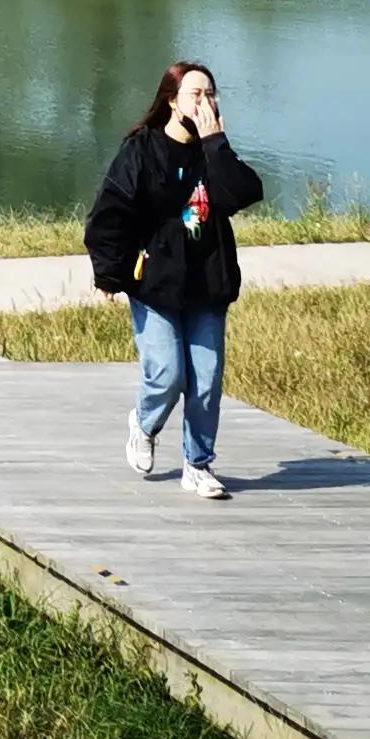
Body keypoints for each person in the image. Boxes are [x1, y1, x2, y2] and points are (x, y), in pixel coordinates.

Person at [85, 59, 265, 501]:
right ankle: (143, 424)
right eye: (196, 95)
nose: (205, 103)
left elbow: (243, 194)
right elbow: (108, 215)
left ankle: (198, 464)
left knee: (205, 380)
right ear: (171, 101)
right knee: (167, 374)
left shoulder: (213, 151)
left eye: (211, 95)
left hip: (206, 283)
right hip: (156, 284)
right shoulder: (141, 151)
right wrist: (109, 274)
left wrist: (216, 142)